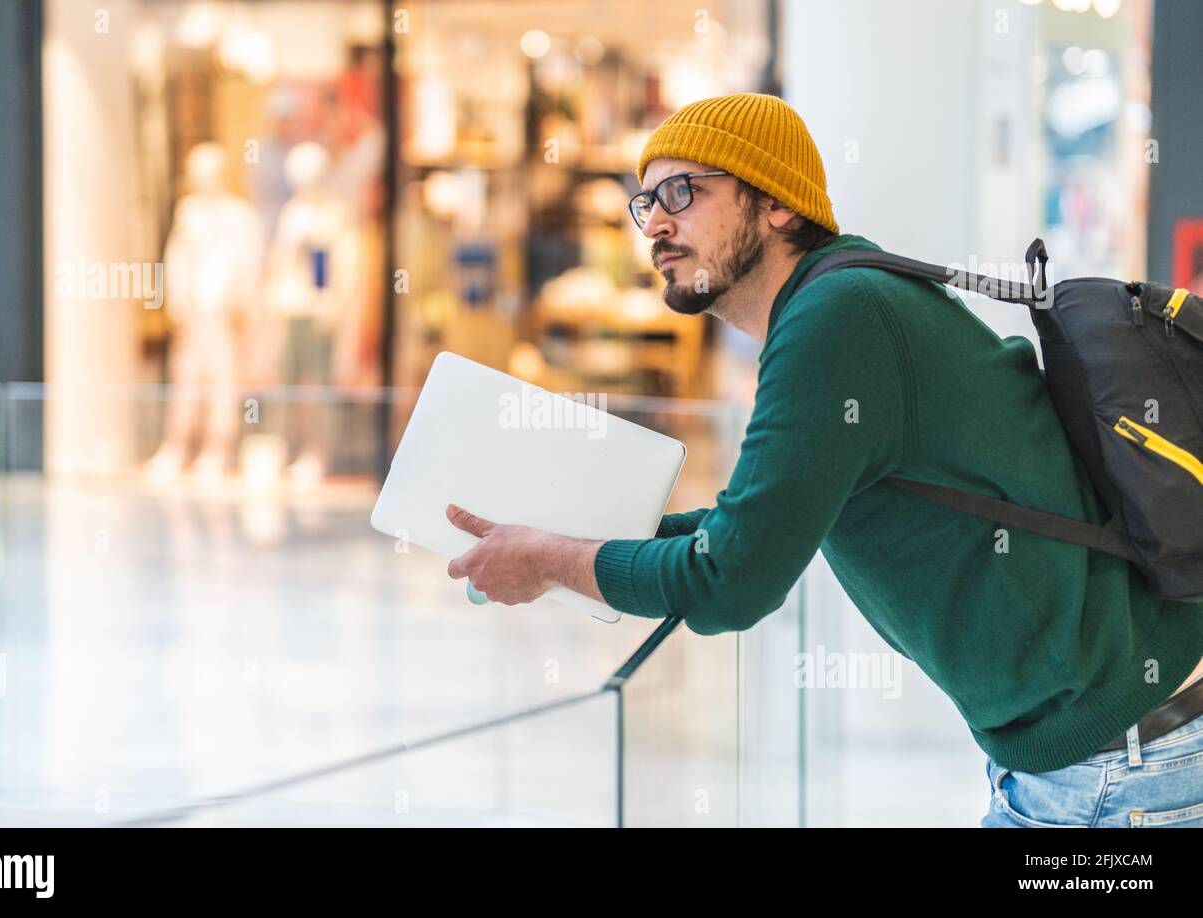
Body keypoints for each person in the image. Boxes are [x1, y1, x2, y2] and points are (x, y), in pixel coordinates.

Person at [442, 92, 1203, 827]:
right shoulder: (844, 302)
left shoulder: (836, 322)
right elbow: (753, 527)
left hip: (1121, 764)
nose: (657, 224)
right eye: (646, 203)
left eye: (682, 191)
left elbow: (729, 582)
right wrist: (562, 539)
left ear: (777, 203)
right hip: (1120, 743)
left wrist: (549, 562)